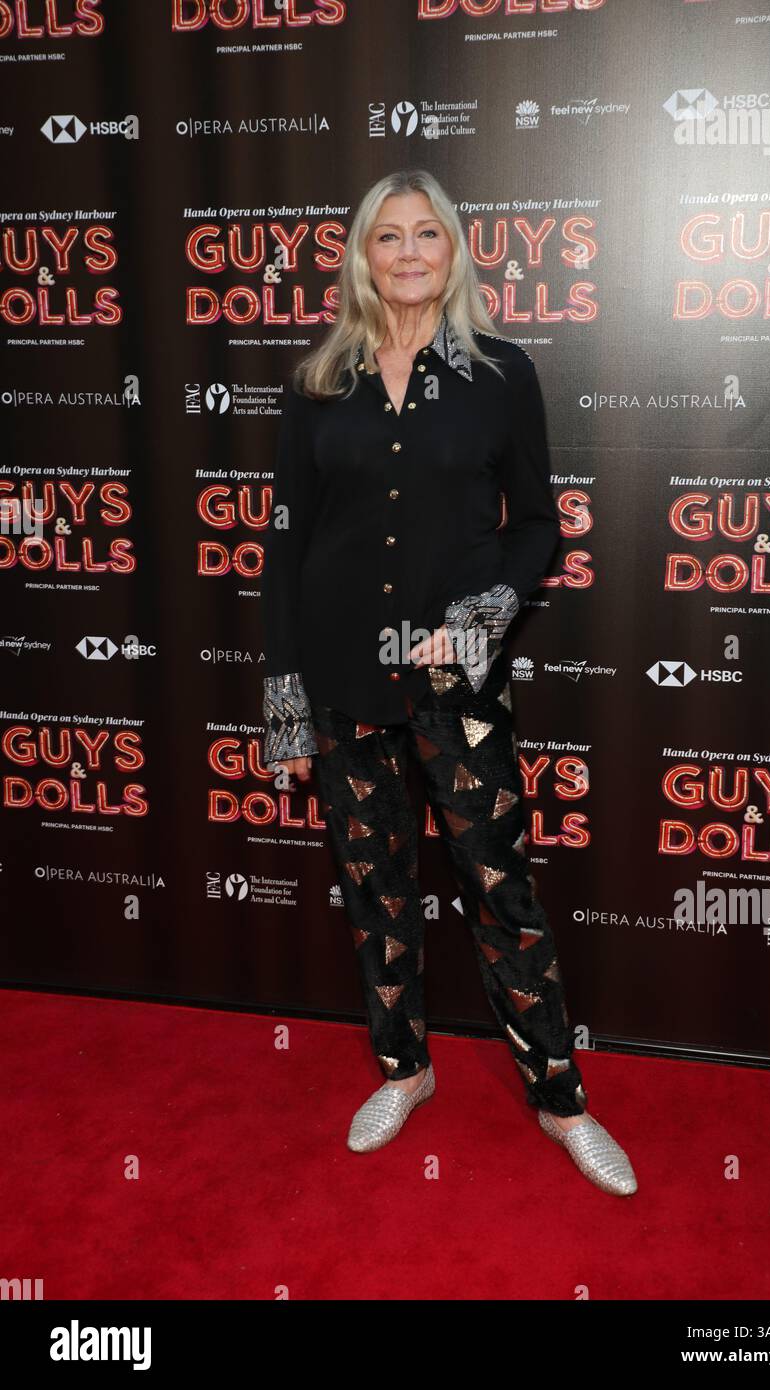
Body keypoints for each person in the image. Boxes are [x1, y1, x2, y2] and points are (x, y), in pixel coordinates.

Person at [259, 168, 637, 1197]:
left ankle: (560, 1099)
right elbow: (286, 546)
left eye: (428, 233)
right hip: (342, 680)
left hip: (456, 690)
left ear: (454, 250)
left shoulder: (500, 374)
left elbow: (535, 523)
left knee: (496, 889)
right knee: (375, 891)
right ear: (362, 256)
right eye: (390, 237)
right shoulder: (316, 383)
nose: (411, 251)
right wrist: (286, 704)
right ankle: (403, 1069)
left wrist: (475, 623)